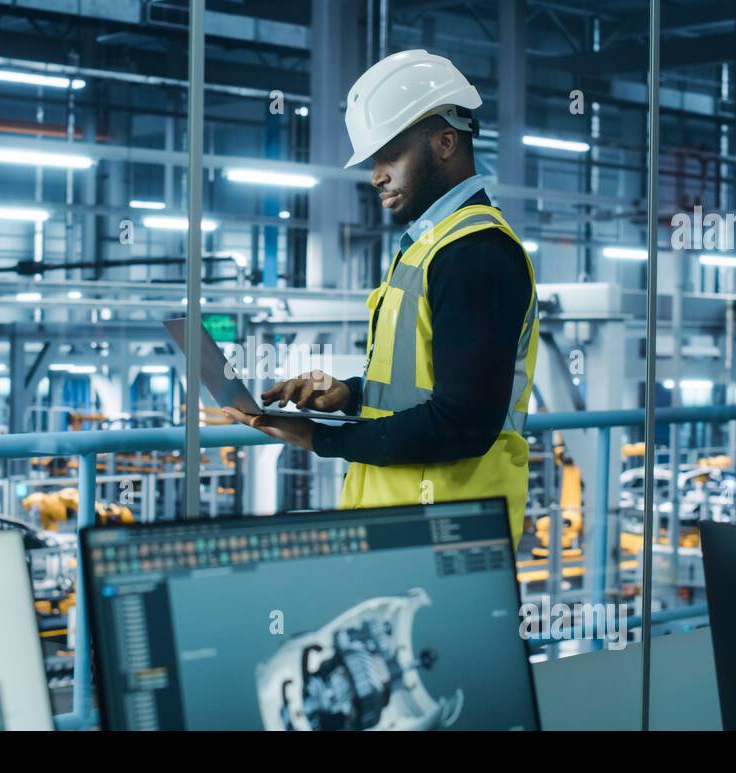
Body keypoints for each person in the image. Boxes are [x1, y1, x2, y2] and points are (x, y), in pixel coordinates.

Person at [222, 49, 539, 535]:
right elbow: (426, 386)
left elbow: (464, 423)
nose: (376, 176)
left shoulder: (477, 254)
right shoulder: (430, 249)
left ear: (446, 142)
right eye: (374, 159)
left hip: (451, 533)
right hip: (405, 524)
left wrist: (319, 439)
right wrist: (348, 394)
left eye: (391, 154)